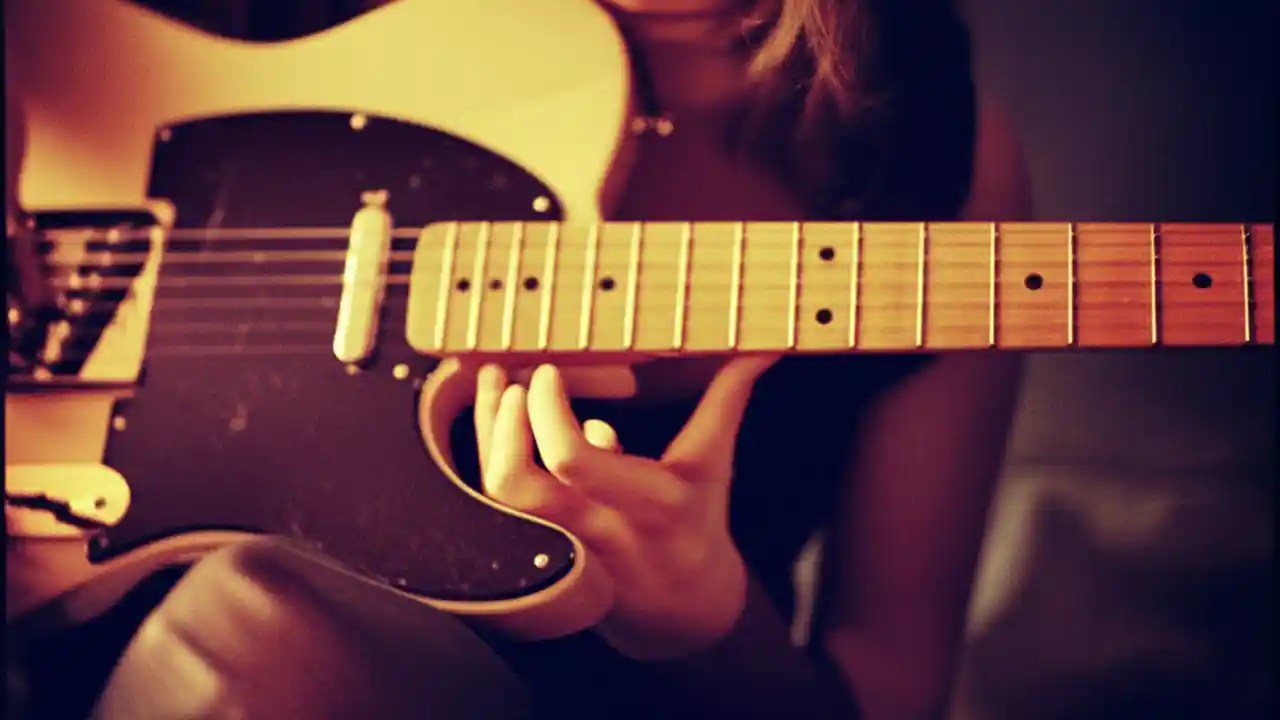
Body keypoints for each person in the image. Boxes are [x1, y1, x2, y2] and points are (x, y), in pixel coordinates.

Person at [10, 0, 1031, 717]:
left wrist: (705, 625)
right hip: (65, 600)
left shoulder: (928, 143)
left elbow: (887, 688)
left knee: (252, 638)